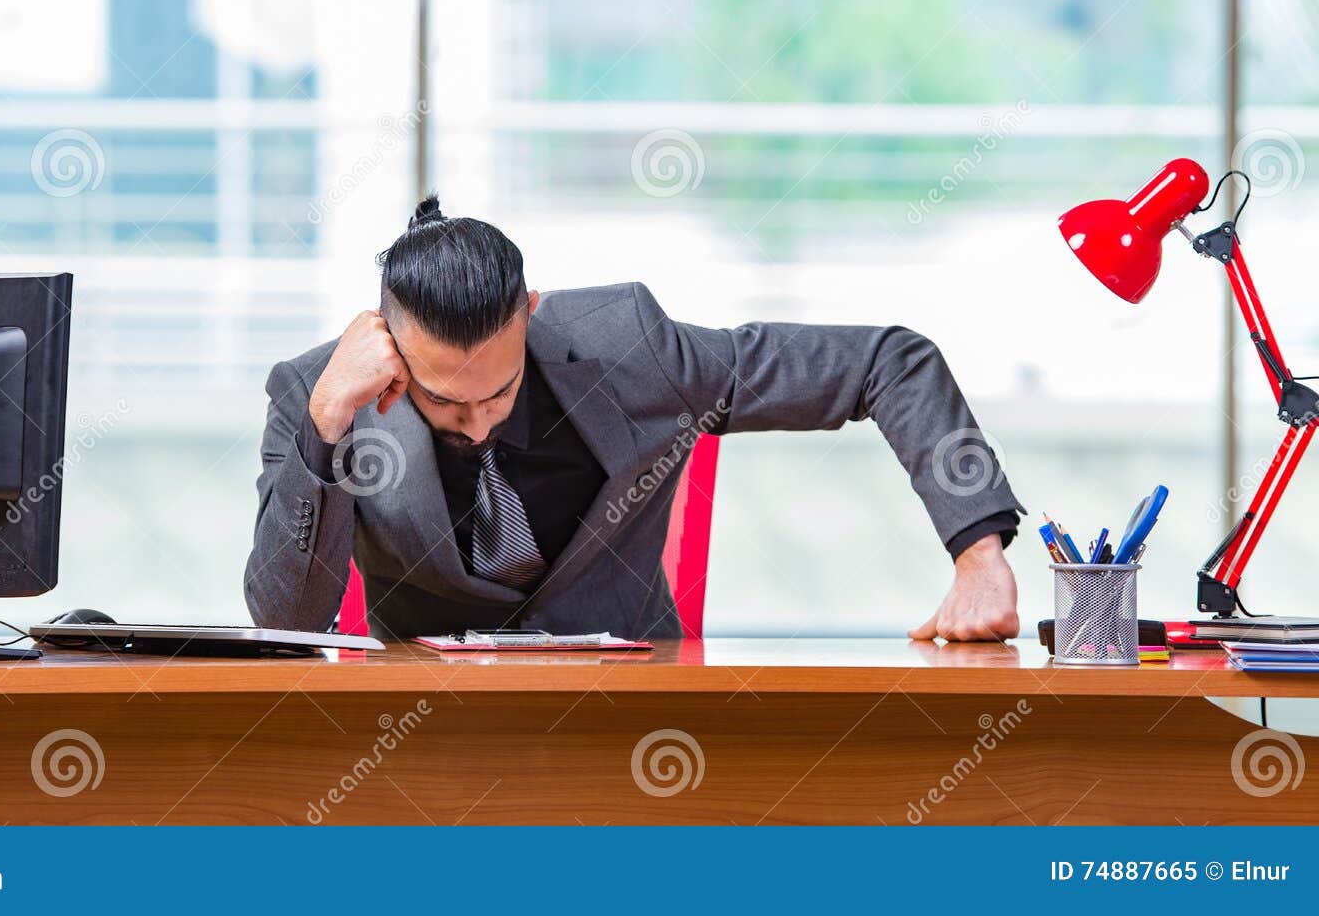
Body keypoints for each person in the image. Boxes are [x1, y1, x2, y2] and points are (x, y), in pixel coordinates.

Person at [245, 195, 1023, 641]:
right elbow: (288, 621)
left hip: (640, 725)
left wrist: (978, 553)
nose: (477, 427)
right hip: (428, 739)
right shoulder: (320, 393)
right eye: (444, 400)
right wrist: (326, 430)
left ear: (533, 314)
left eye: (498, 393)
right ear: (387, 343)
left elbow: (888, 361)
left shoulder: (631, 348)